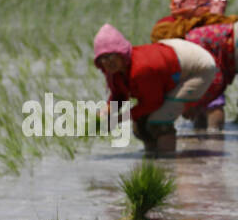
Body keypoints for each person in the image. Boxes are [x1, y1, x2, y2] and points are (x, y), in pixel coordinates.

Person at [92, 23, 217, 155]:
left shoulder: (142, 69)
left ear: (122, 54)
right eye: (102, 58)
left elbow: (153, 103)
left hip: (198, 66)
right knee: (140, 124)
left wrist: (119, 119)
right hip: (170, 60)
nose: (107, 62)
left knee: (159, 121)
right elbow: (119, 96)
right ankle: (153, 158)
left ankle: (166, 164)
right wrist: (105, 112)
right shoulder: (114, 71)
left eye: (110, 56)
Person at [158, 0, 233, 132]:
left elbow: (218, 3)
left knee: (210, 84)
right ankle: (199, 135)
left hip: (205, 32)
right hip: (189, 30)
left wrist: (207, 30)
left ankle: (214, 138)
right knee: (194, 83)